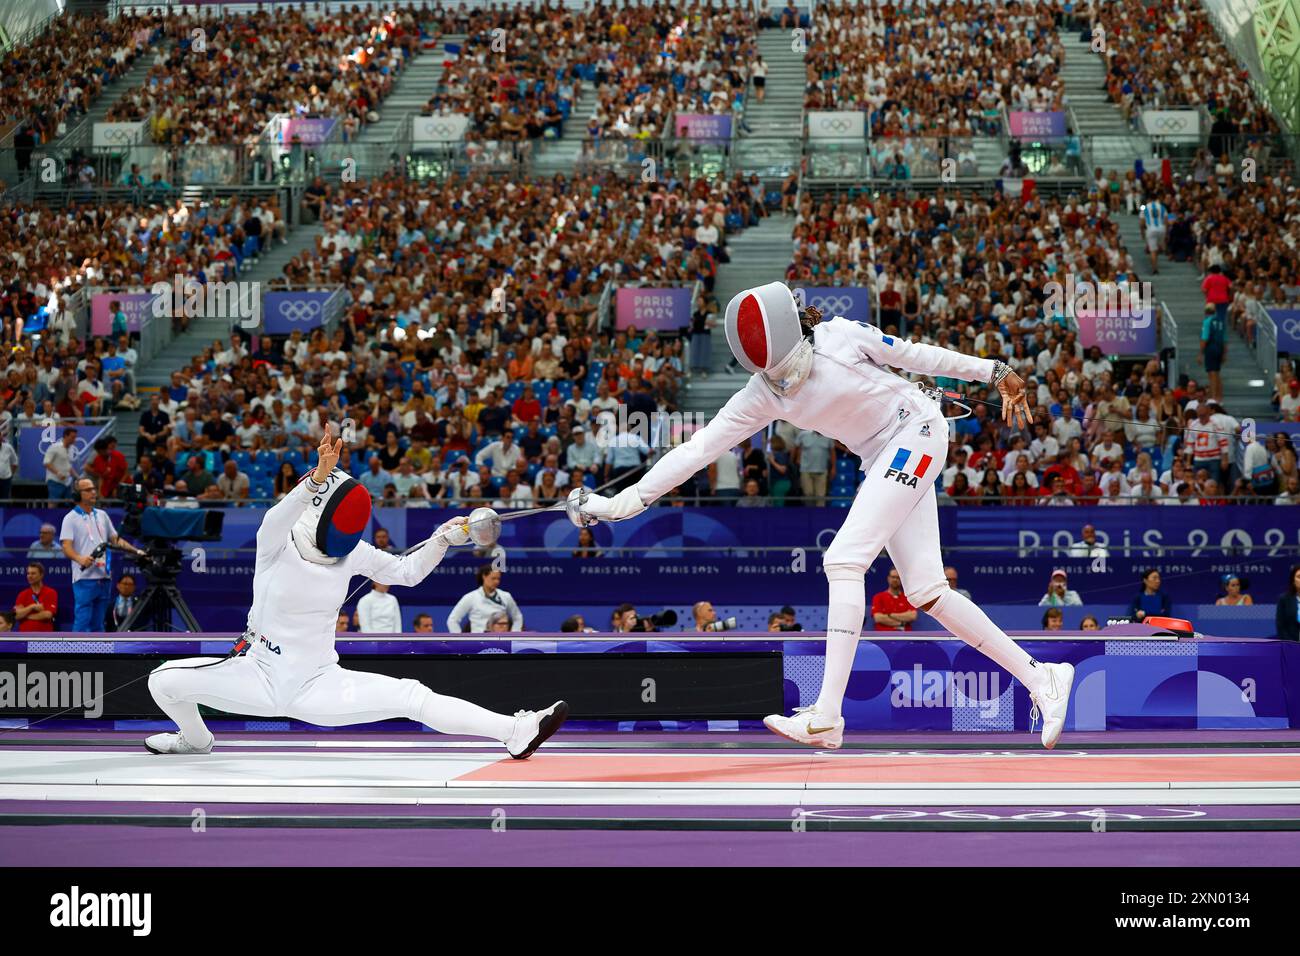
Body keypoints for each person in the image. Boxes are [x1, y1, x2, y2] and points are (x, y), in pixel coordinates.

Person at [579, 281, 1074, 749]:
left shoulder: (841, 334)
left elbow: (916, 354)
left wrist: (993, 370)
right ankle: (1042, 676)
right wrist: (626, 502)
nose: (786, 382)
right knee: (927, 591)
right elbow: (698, 449)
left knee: (842, 560)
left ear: (801, 336)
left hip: (918, 433)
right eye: (773, 375)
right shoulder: (760, 395)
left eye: (789, 366)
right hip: (882, 456)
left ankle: (827, 714)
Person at [144, 431, 566, 758]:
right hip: (255, 675)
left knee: (411, 695)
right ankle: (197, 741)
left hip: (320, 685)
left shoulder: (352, 552)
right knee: (162, 680)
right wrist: (316, 478)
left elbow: (407, 572)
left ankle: (514, 731)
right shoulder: (277, 541)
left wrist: (441, 539)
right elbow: (275, 515)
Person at [60, 476, 145, 632]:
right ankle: (74, 654)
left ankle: (97, 655)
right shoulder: (70, 518)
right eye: (88, 490)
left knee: (98, 624)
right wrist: (80, 558)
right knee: (82, 622)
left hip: (104, 577)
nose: (93, 492)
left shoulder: (102, 515)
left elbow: (115, 540)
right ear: (77, 495)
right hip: (84, 577)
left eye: (93, 488)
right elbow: (66, 547)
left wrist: (137, 551)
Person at [446, 564, 524, 633]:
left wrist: (514, 635)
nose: (496, 582)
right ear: (484, 576)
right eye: (493, 578)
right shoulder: (471, 597)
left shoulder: (506, 596)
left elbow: (517, 617)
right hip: (477, 642)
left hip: (501, 642)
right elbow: (452, 620)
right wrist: (460, 641)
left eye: (498, 579)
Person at [14, 561, 57, 632]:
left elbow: (47, 615)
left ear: (41, 575)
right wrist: (32, 607)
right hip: (24, 637)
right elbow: (16, 616)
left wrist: (25, 615)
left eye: (33, 573)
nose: (29, 576)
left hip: (44, 637)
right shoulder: (22, 594)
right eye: (28, 573)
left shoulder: (51, 592)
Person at [44, 427, 78, 500]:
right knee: (53, 503)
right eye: (72, 437)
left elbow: (68, 465)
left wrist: (77, 476)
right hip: (54, 481)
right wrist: (58, 473)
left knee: (69, 504)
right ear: (66, 436)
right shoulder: (54, 447)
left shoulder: (71, 449)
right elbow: (46, 463)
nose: (74, 439)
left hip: (67, 482)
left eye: (75, 437)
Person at [1275, 564, 1300, 642]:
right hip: (1291, 645)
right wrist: (1290, 643)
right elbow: (1280, 626)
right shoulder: (1284, 599)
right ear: (1293, 580)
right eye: (1299, 577)